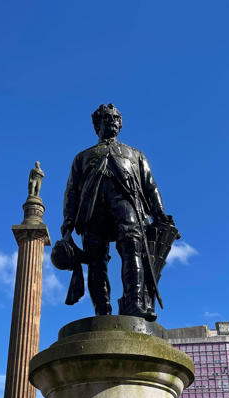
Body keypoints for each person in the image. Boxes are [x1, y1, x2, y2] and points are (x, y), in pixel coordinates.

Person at [60, 103, 170, 320]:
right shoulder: (82, 157)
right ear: (97, 125)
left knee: (132, 249)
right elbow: (71, 192)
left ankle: (134, 303)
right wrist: (68, 223)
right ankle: (102, 310)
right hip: (91, 212)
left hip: (127, 207)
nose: (112, 122)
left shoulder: (135, 154)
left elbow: (150, 186)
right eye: (107, 118)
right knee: (96, 260)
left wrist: (160, 214)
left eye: (115, 118)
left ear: (120, 124)